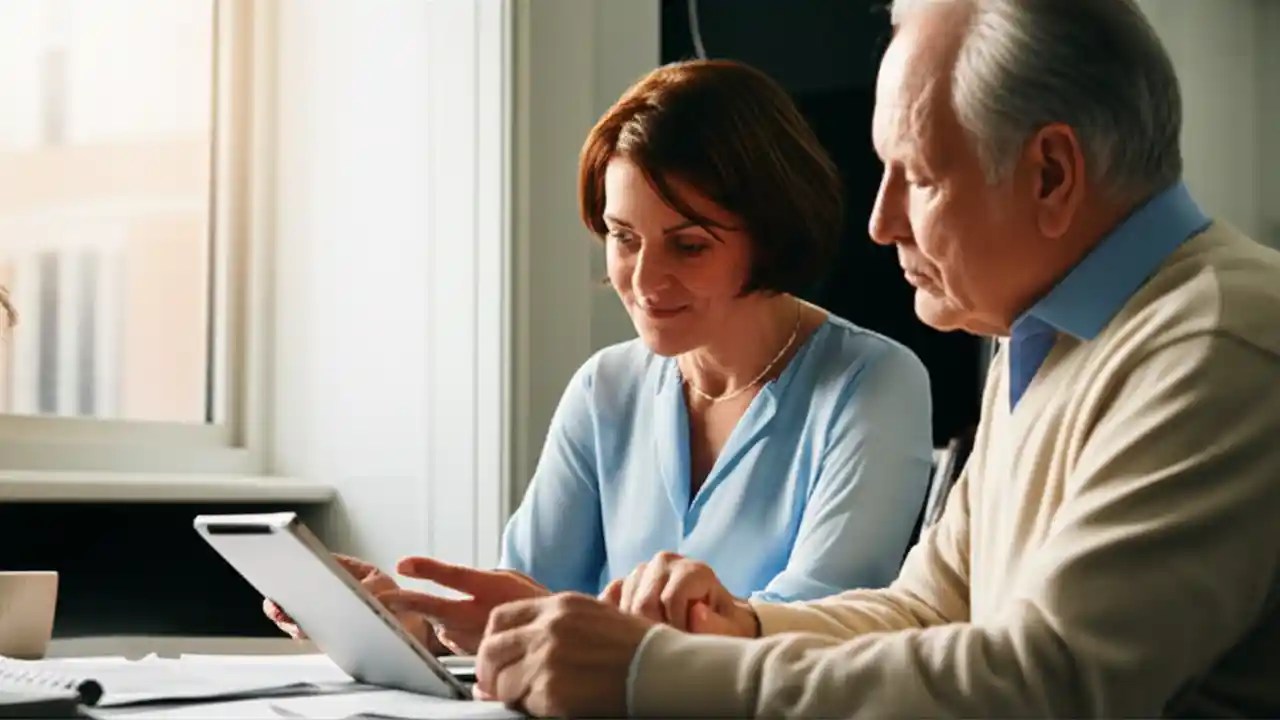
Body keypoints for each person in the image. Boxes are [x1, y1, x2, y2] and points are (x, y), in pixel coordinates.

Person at [469, 0, 1280, 716]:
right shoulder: (1051, 336)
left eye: (918, 175)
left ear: (1052, 174)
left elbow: (1050, 682)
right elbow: (929, 609)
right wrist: (740, 627)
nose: (881, 222)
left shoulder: (1215, 343)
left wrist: (653, 672)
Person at [266, 60, 934, 656]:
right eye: (623, 238)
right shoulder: (605, 387)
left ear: (771, 232)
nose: (644, 279)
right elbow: (532, 603)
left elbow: (830, 625)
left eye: (688, 245)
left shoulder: (873, 382)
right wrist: (416, 625)